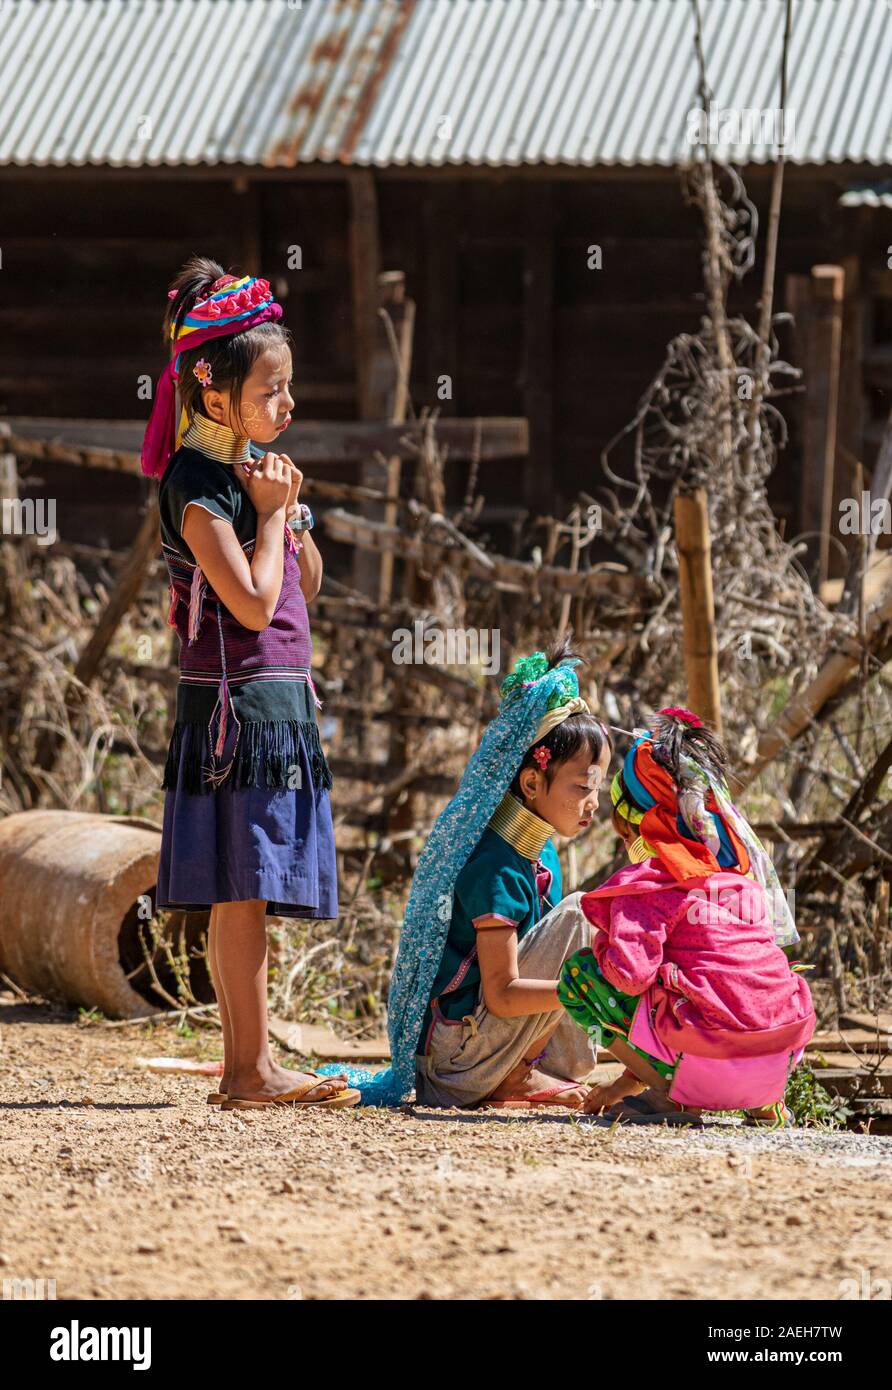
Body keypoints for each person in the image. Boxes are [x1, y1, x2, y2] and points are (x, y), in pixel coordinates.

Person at [142, 255, 357, 1111]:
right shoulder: (198, 488)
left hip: (270, 705)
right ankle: (249, 1069)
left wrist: (292, 520)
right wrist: (269, 516)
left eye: (288, 390)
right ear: (215, 394)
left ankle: (247, 1066)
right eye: (273, 394)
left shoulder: (248, 471)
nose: (288, 407)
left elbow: (305, 579)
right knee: (243, 890)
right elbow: (254, 603)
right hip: (236, 711)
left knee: (248, 891)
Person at [318, 638, 611, 1108]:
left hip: (484, 1050)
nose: (593, 803)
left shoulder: (541, 855)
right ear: (532, 782)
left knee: (590, 915)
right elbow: (501, 995)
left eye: (599, 787)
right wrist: (589, 991)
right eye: (582, 787)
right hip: (457, 1065)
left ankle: (526, 1071)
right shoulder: (496, 868)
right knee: (581, 914)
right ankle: (513, 1078)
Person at [557, 707, 815, 1126]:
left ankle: (669, 1095)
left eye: (625, 834)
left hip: (705, 1064)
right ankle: (765, 1103)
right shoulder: (739, 878)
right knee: (737, 988)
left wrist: (609, 944)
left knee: (581, 977)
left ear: (640, 827)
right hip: (776, 1064)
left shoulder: (650, 884)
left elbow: (628, 977)